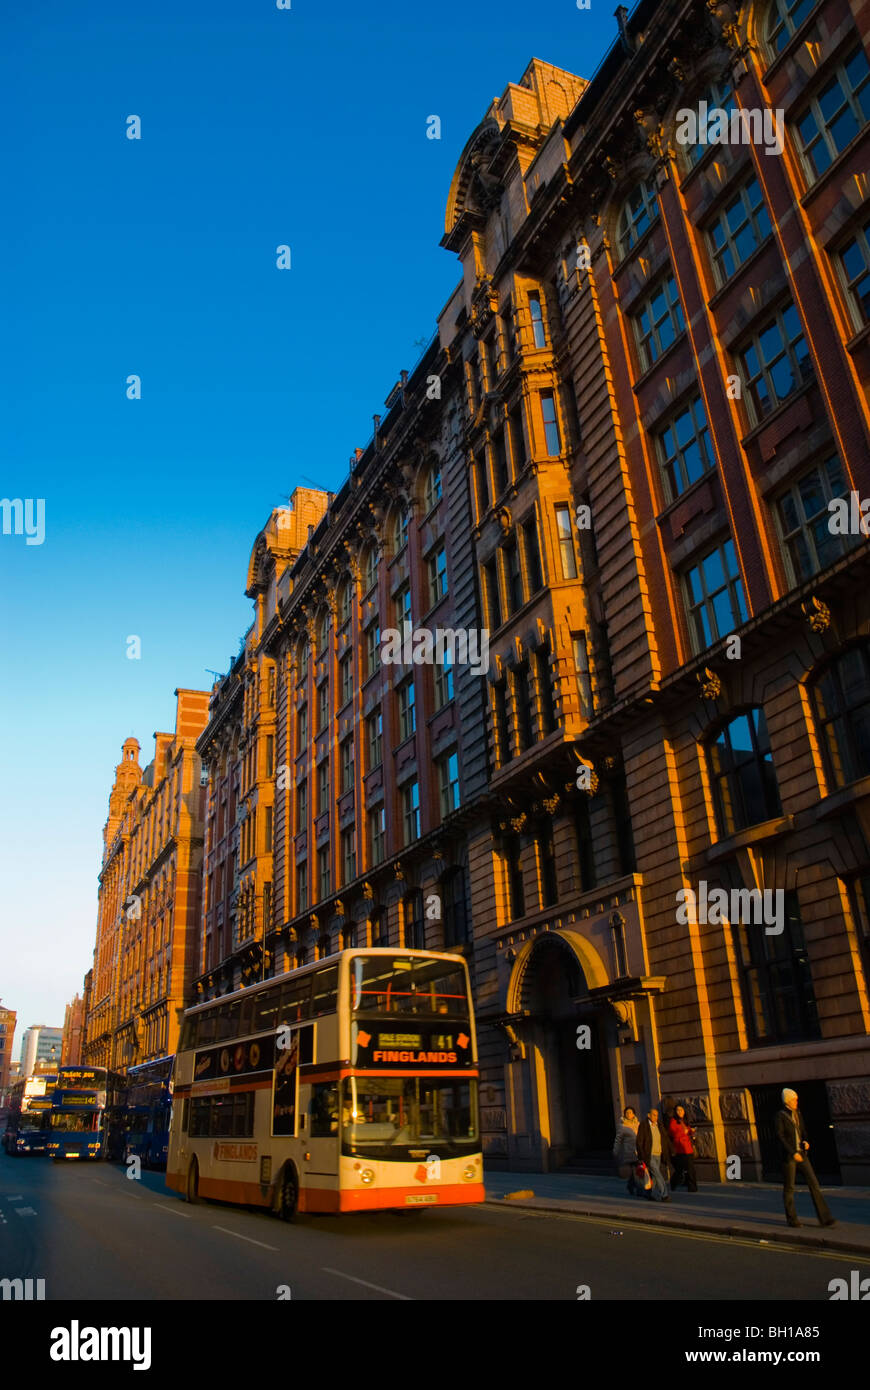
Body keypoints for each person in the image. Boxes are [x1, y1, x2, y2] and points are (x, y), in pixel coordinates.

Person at [775, 1087, 836, 1229]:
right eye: (794, 1099)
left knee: (814, 1183)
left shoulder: (798, 1113)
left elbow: (802, 1131)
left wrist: (805, 1141)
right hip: (789, 1156)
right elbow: (780, 1136)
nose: (797, 1101)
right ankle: (792, 1220)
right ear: (788, 1100)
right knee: (790, 1187)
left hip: (801, 1153)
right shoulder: (781, 1116)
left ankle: (825, 1218)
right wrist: (791, 1152)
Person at [635, 1107, 672, 1201]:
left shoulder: (659, 1125)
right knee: (658, 1173)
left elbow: (665, 1138)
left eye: (657, 1115)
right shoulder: (644, 1125)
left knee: (655, 1176)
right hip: (649, 1154)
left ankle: (649, 1194)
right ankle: (664, 1195)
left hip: (658, 1153)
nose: (656, 1117)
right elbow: (639, 1141)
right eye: (654, 1115)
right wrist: (641, 1155)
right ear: (649, 1115)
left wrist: (670, 1149)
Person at [667, 1103, 698, 1192]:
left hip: (688, 1148)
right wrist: (684, 1132)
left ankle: (692, 1187)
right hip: (680, 1148)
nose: (680, 1112)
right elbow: (672, 1133)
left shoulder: (684, 1121)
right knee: (681, 1169)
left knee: (690, 1168)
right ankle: (675, 1182)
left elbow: (688, 1132)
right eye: (678, 1110)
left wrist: (692, 1132)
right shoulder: (673, 1121)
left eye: (681, 1110)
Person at [613, 1106, 641, 1196]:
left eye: (630, 1112)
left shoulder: (638, 1124)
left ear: (634, 1114)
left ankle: (630, 1185)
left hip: (638, 1150)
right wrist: (615, 1151)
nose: (628, 1114)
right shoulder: (622, 1126)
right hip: (629, 1151)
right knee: (636, 1170)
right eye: (627, 1112)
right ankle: (639, 1189)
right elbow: (618, 1139)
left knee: (636, 1171)